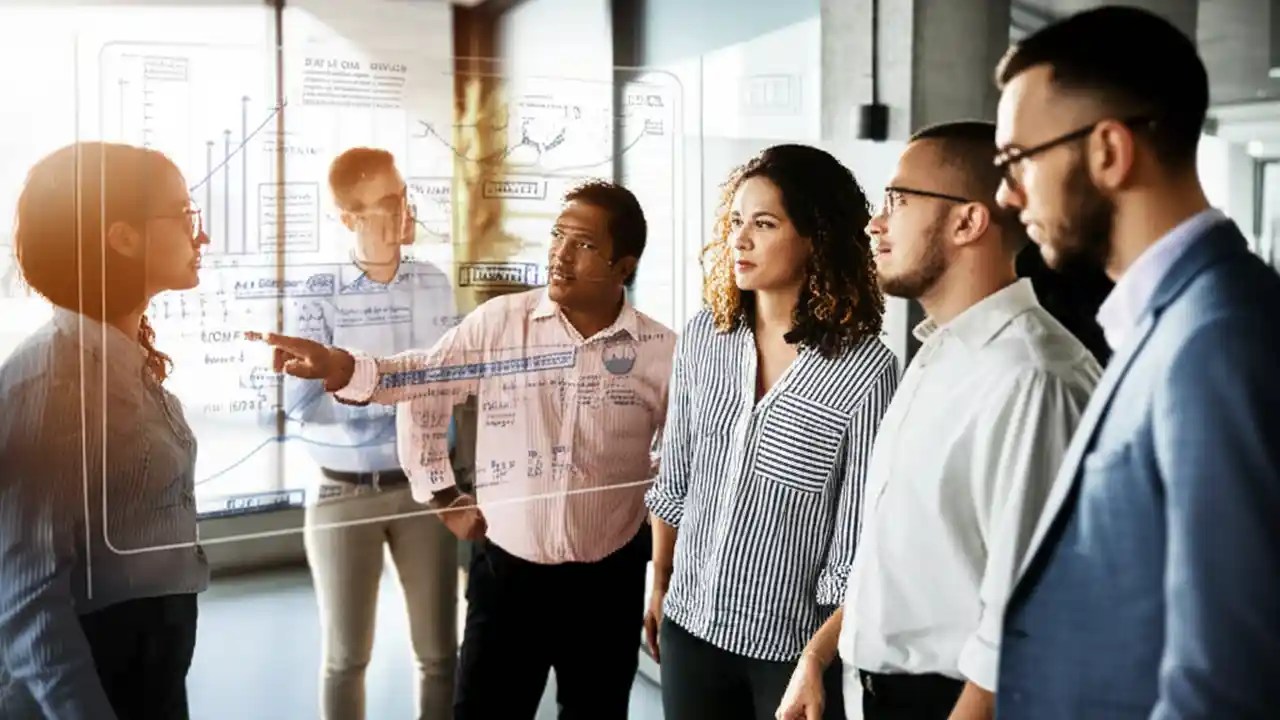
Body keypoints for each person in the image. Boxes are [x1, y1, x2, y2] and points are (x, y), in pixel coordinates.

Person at [257, 179, 674, 720]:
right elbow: (426, 381)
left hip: (607, 584)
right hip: (508, 579)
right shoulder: (502, 323)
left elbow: (679, 464)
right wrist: (440, 490)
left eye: (585, 244)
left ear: (624, 266)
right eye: (557, 236)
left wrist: (661, 569)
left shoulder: (662, 353)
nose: (560, 254)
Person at [992, 7, 1280, 719]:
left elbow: (1225, 690)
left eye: (1016, 160)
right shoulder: (1175, 319)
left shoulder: (1219, 338)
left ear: (1109, 152)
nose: (1006, 194)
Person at [775, 122, 1102, 720]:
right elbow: (905, 554)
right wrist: (819, 655)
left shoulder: (1034, 377)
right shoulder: (940, 350)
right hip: (868, 692)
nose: (875, 223)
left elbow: (1028, 625)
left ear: (968, 221)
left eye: (898, 200)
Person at [644, 144, 897, 720]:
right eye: (736, 222)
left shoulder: (866, 371)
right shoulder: (705, 336)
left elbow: (856, 546)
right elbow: (675, 478)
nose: (739, 240)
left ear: (816, 237)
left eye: (764, 223)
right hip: (688, 627)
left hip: (791, 657)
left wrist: (816, 659)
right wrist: (660, 582)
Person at [0, 141, 211, 719]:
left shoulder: (117, 357)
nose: (203, 236)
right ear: (122, 237)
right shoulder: (51, 382)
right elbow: (29, 602)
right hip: (94, 678)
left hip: (149, 667)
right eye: (185, 214)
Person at [283, 147, 459, 720]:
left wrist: (373, 388)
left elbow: (450, 384)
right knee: (345, 658)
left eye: (404, 193)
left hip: (424, 490)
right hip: (343, 493)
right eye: (388, 200)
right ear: (348, 217)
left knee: (439, 656)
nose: (404, 209)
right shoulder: (318, 293)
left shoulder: (434, 284)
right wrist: (390, 401)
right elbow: (300, 403)